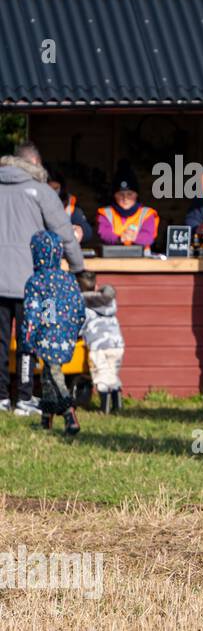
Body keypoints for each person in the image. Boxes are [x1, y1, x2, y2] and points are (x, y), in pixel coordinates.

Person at [0, 141, 85, 416]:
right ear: (35, 164)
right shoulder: (41, 192)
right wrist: (78, 267)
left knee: (0, 341)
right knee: (28, 340)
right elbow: (64, 233)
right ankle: (24, 398)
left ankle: (1, 397)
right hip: (30, 282)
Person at [22, 231, 86, 436]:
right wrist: (75, 330)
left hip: (47, 333)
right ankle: (46, 421)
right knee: (48, 375)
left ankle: (70, 414)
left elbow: (33, 313)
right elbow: (79, 308)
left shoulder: (36, 281)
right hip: (67, 333)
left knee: (55, 375)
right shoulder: (68, 279)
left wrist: (27, 338)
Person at [77, 271, 126, 413]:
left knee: (101, 375)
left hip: (99, 347)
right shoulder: (110, 303)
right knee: (112, 374)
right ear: (96, 285)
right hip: (117, 345)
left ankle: (104, 408)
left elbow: (80, 327)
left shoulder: (85, 308)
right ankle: (117, 405)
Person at [97, 164, 159, 248]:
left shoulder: (147, 214)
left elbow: (148, 238)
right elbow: (104, 234)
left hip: (142, 259)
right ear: (114, 195)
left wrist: (133, 237)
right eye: (120, 194)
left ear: (136, 195)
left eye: (130, 194)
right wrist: (120, 238)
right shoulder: (106, 213)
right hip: (113, 258)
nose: (125, 198)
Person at [47, 169, 93, 246]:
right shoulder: (34, 205)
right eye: (48, 188)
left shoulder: (70, 207)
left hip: (65, 251)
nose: (52, 192)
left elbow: (88, 233)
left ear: (62, 188)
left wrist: (80, 230)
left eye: (55, 188)